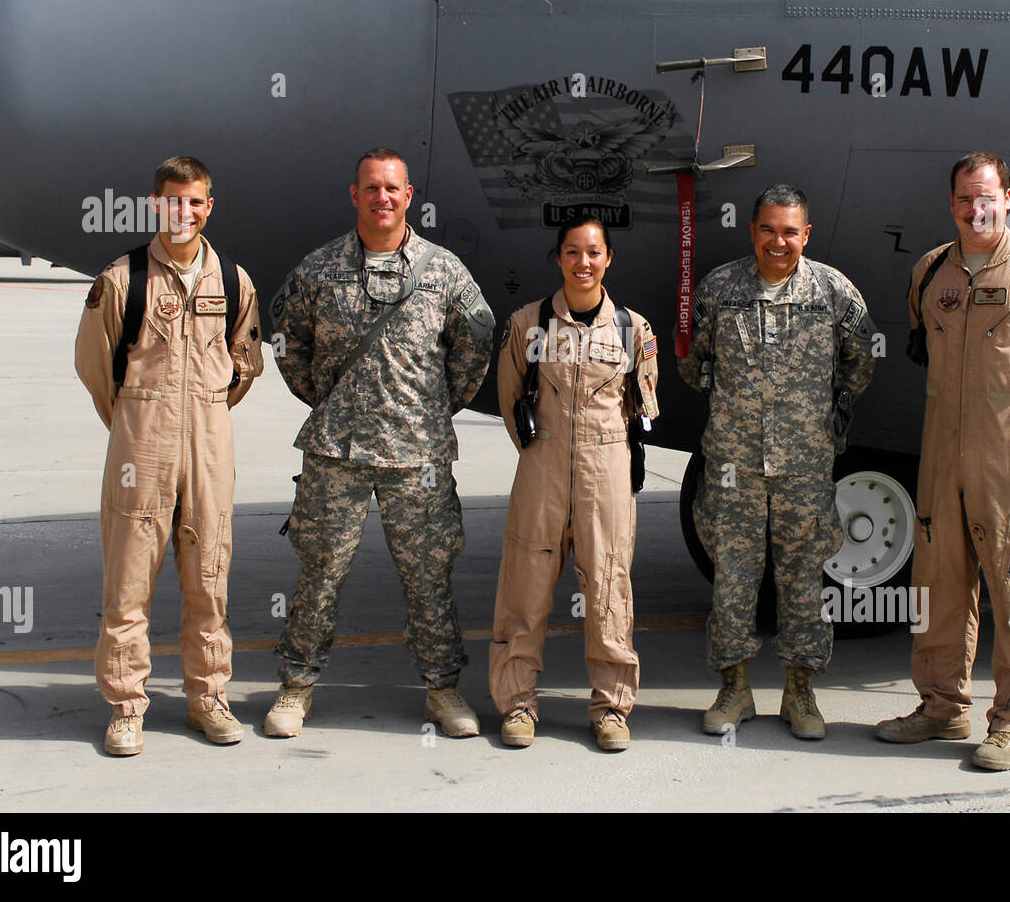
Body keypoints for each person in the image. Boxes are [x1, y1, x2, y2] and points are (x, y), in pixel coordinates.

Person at [875, 152, 1010, 770]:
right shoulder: (931, 271)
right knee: (937, 581)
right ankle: (941, 708)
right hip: (942, 449)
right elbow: (923, 337)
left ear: (1007, 200)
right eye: (966, 199)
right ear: (952, 204)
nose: (977, 209)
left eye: (988, 197)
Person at [264, 147, 494, 739]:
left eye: (392, 188)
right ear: (355, 194)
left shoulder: (443, 271)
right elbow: (288, 344)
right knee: (319, 572)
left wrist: (433, 412)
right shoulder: (318, 271)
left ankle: (442, 691)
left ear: (409, 195)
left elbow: (474, 348)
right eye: (371, 187)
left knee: (429, 576)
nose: (382, 197)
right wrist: (328, 401)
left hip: (417, 457)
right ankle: (295, 687)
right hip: (336, 451)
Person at [75, 155, 265, 756]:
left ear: (209, 206)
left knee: (209, 577)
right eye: (172, 201)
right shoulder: (122, 279)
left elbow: (245, 365)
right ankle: (126, 706)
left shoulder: (234, 281)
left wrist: (202, 414)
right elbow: (94, 365)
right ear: (155, 205)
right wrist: (136, 419)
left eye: (196, 201)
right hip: (142, 445)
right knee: (129, 580)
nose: (184, 212)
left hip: (208, 444)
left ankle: (208, 697)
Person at [679, 184, 876, 740]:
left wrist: (812, 419)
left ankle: (800, 693)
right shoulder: (719, 288)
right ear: (752, 231)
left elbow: (859, 365)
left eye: (790, 231)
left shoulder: (834, 292)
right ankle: (734, 689)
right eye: (768, 229)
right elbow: (693, 366)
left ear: (806, 234)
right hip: (733, 466)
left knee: (803, 581)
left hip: (804, 467)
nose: (778, 241)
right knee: (733, 581)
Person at [490, 218, 659, 751]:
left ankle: (611, 707)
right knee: (525, 585)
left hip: (606, 469)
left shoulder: (634, 330)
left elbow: (644, 406)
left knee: (609, 587)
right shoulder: (528, 323)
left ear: (608, 258)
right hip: (542, 467)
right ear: (558, 258)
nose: (582, 263)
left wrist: (596, 453)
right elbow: (511, 399)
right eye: (571, 252)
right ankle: (517, 704)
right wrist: (545, 454)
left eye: (593, 252)